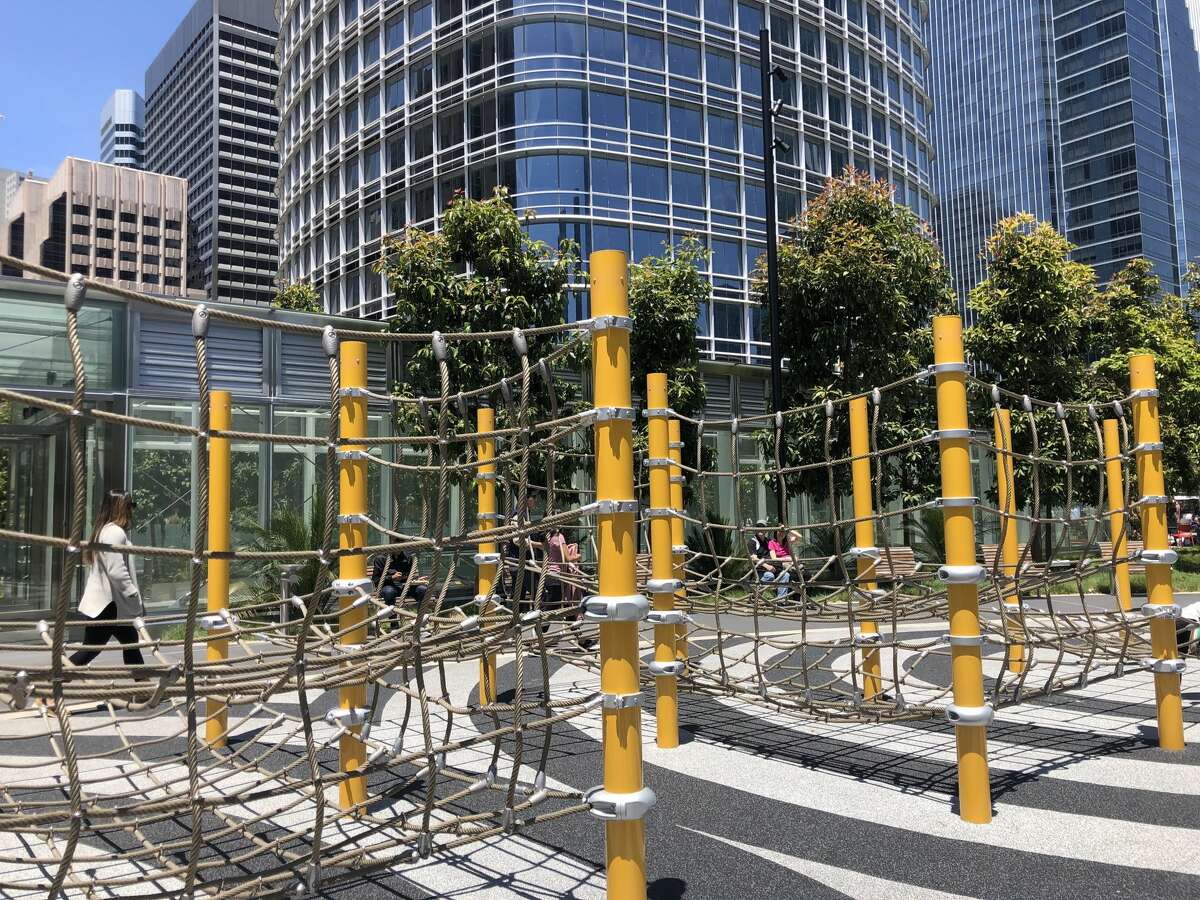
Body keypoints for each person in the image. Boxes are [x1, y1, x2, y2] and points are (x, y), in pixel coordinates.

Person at [70, 490, 145, 668]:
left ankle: (142, 684)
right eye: (130, 506)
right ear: (122, 508)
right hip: (108, 606)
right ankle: (55, 675)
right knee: (90, 650)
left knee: (130, 643)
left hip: (111, 604)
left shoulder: (103, 530)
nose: (132, 510)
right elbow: (116, 571)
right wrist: (133, 594)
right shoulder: (114, 533)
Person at [749, 519, 791, 600]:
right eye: (758, 527)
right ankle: (755, 595)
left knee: (785, 575)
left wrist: (785, 529)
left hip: (774, 568)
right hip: (759, 570)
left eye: (763, 527)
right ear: (755, 529)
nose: (761, 529)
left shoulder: (769, 541)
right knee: (769, 576)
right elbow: (753, 558)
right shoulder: (752, 542)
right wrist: (767, 566)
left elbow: (792, 539)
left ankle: (780, 600)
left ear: (766, 530)